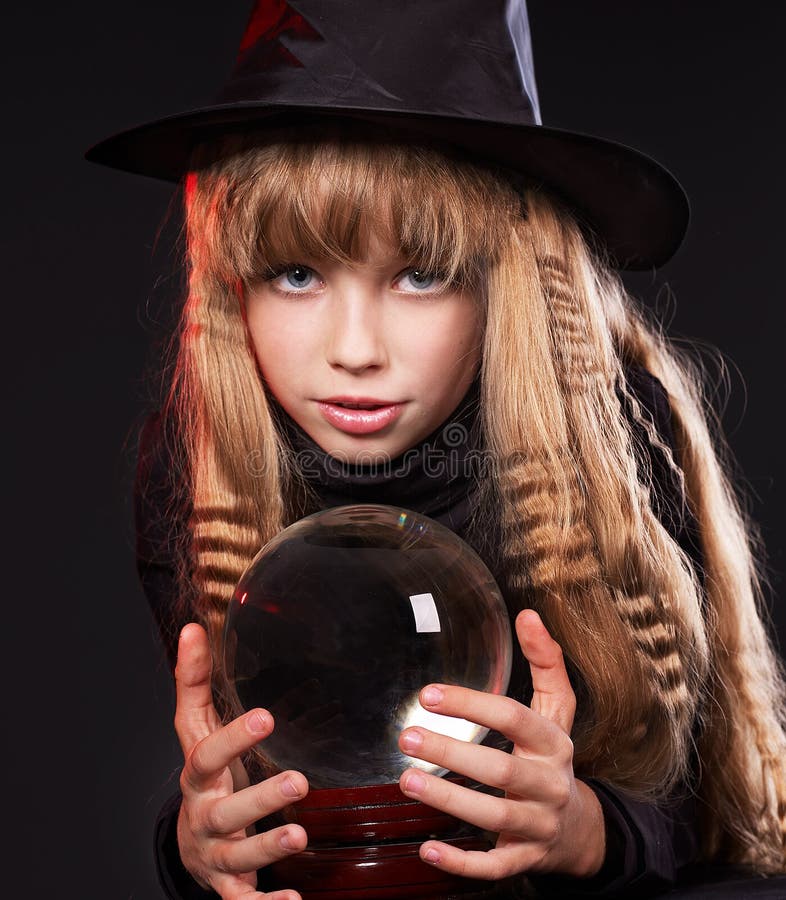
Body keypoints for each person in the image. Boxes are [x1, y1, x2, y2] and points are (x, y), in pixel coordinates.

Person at [86, 2, 786, 898]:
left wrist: (585, 829)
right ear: (234, 289)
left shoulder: (612, 442)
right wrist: (193, 848)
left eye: (422, 274)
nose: (355, 349)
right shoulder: (195, 469)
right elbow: (268, 791)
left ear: (506, 282)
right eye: (295, 274)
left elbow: (704, 806)